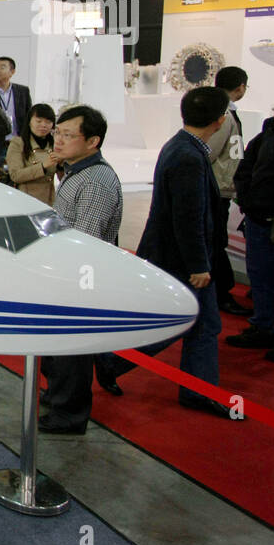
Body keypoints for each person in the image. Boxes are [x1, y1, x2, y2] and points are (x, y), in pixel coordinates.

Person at [100, 87, 241, 419]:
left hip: (170, 256)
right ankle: (196, 390)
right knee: (203, 325)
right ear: (220, 120)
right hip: (181, 261)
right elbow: (188, 217)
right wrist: (199, 265)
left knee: (188, 324)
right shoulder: (189, 156)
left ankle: (113, 363)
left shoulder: (179, 147)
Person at [41, 105, 121, 434]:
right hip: (65, 272)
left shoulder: (96, 180)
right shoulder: (75, 171)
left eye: (67, 135)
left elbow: (84, 240)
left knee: (73, 352)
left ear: (93, 141)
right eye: (57, 133)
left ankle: (69, 414)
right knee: (59, 351)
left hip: (80, 278)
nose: (58, 140)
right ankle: (58, 397)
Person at [227, 94, 274, 361]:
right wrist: (248, 202)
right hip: (258, 222)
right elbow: (244, 170)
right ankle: (263, 327)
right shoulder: (266, 138)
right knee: (261, 279)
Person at [206, 66, 251, 315]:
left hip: (221, 186)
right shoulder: (223, 114)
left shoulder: (225, 112)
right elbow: (211, 151)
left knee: (216, 240)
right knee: (215, 241)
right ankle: (220, 293)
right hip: (217, 187)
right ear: (240, 86)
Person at [5, 103, 59, 205]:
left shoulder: (55, 145)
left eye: (48, 122)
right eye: (38, 121)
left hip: (49, 201)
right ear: (29, 121)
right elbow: (15, 175)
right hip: (25, 200)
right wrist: (43, 166)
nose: (43, 125)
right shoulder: (18, 143)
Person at [0, 56, 31, 143]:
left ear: (12, 72)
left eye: (2, 67)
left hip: (18, 142)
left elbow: (29, 116)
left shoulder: (23, 91)